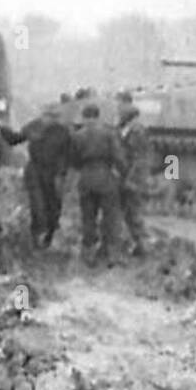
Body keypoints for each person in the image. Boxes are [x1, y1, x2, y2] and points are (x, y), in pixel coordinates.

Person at [0, 110, 73, 248]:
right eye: (46, 116)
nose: (47, 120)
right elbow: (15, 139)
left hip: (54, 172)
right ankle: (37, 237)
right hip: (35, 170)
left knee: (54, 207)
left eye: (52, 117)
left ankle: (49, 237)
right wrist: (1, 128)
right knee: (37, 205)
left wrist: (61, 174)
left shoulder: (63, 131)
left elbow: (67, 154)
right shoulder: (34, 126)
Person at [71, 104, 124, 265]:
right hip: (106, 177)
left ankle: (89, 255)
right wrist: (122, 172)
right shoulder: (109, 133)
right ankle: (111, 255)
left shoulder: (77, 136)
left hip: (86, 178)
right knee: (110, 217)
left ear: (84, 117)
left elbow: (73, 160)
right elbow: (118, 156)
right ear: (98, 116)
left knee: (88, 218)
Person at [116, 90, 151, 255]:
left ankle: (143, 245)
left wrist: (130, 180)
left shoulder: (136, 130)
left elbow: (139, 159)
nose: (117, 110)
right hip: (127, 176)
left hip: (133, 178)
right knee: (127, 212)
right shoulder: (125, 128)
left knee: (133, 212)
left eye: (120, 107)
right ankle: (135, 244)